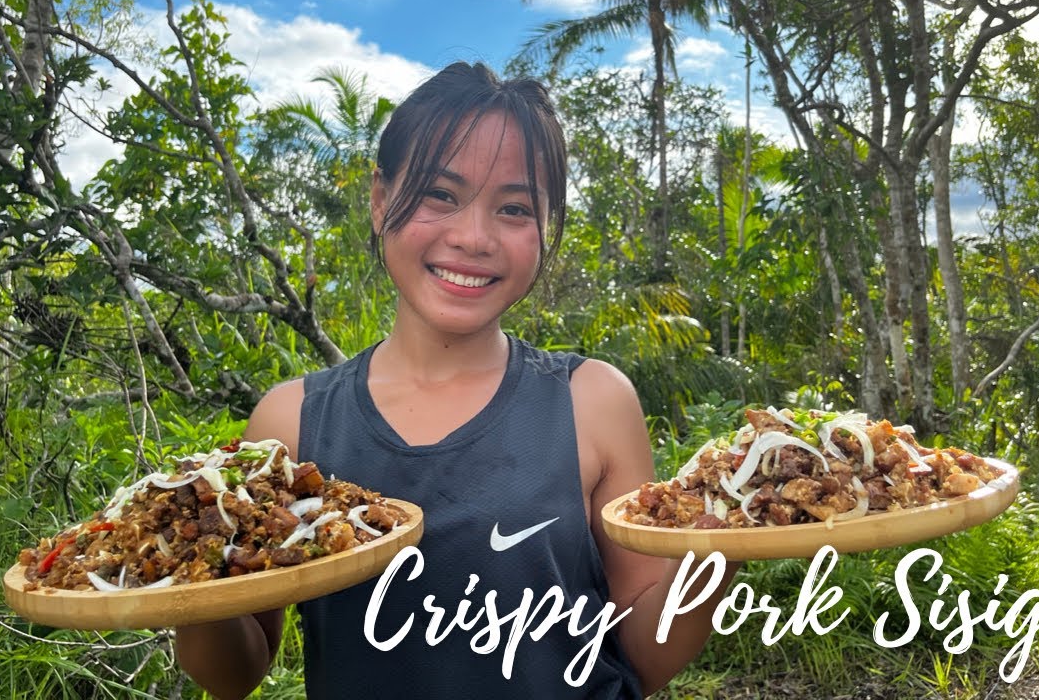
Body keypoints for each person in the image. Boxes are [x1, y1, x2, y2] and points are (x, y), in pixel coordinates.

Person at [175, 61, 738, 699]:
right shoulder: (290, 423)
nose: (473, 237)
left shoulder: (594, 402)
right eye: (441, 195)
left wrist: (723, 543)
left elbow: (640, 656)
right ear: (381, 198)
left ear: (546, 227)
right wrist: (192, 565)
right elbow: (233, 675)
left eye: (515, 208)